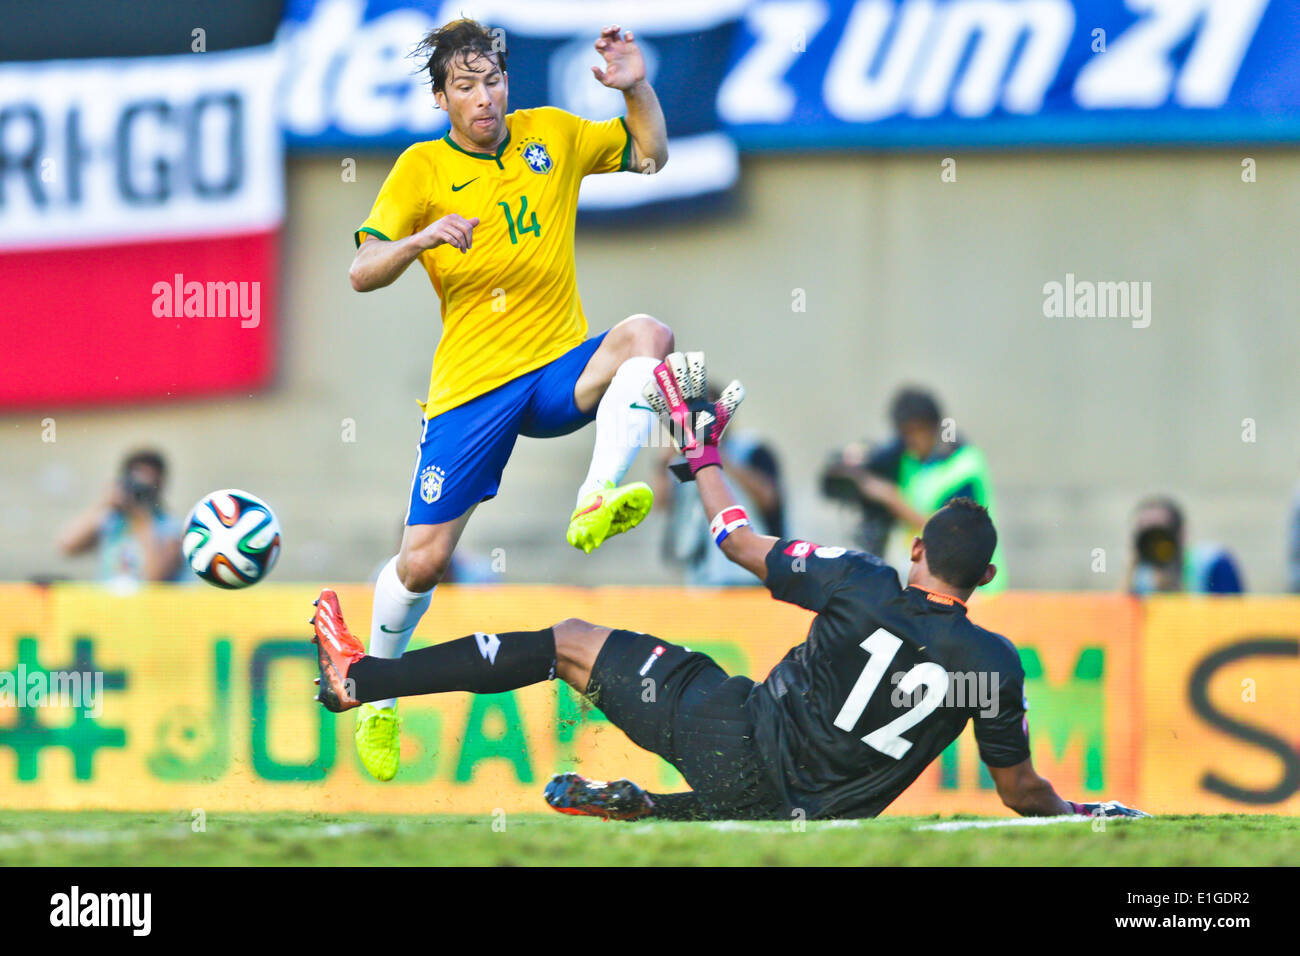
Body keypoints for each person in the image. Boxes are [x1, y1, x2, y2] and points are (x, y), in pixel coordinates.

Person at [310, 354, 1144, 822]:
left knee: (567, 642)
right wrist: (1082, 815)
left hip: (732, 737)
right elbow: (1021, 791)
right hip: (810, 814)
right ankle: (651, 811)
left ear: (918, 546)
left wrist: (700, 457)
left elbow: (738, 542)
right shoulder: (994, 666)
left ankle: (364, 680)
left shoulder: (863, 581)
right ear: (987, 578)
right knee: (764, 797)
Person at [345, 19, 672, 780]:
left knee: (651, 335)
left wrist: (636, 88)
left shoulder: (550, 137)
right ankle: (378, 694)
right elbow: (361, 270)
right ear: (441, 98)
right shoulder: (421, 170)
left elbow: (651, 155)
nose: (484, 98)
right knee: (422, 563)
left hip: (558, 368)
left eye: (492, 80)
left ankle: (598, 494)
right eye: (465, 87)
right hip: (471, 390)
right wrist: (419, 242)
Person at [822, 387, 1005, 593]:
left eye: (916, 431)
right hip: (931, 587)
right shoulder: (912, 460)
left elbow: (956, 536)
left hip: (973, 590)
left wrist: (892, 499)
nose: (911, 440)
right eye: (905, 433)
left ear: (934, 427)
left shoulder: (963, 465)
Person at [653, 384, 784, 587]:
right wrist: (664, 460)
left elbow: (769, 500)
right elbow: (662, 503)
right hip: (700, 575)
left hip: (746, 575)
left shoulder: (750, 449)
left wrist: (712, 455)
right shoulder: (682, 458)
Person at [56, 449, 184, 585]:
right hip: (108, 604)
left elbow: (155, 578)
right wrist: (104, 502)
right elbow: (66, 546)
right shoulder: (111, 521)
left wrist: (141, 520)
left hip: (147, 605)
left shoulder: (170, 526)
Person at [1127, 496, 1244, 595]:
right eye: (1147, 534)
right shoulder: (1141, 577)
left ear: (1181, 534)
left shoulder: (1211, 563)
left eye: (1161, 533)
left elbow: (1232, 614)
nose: (1155, 542)